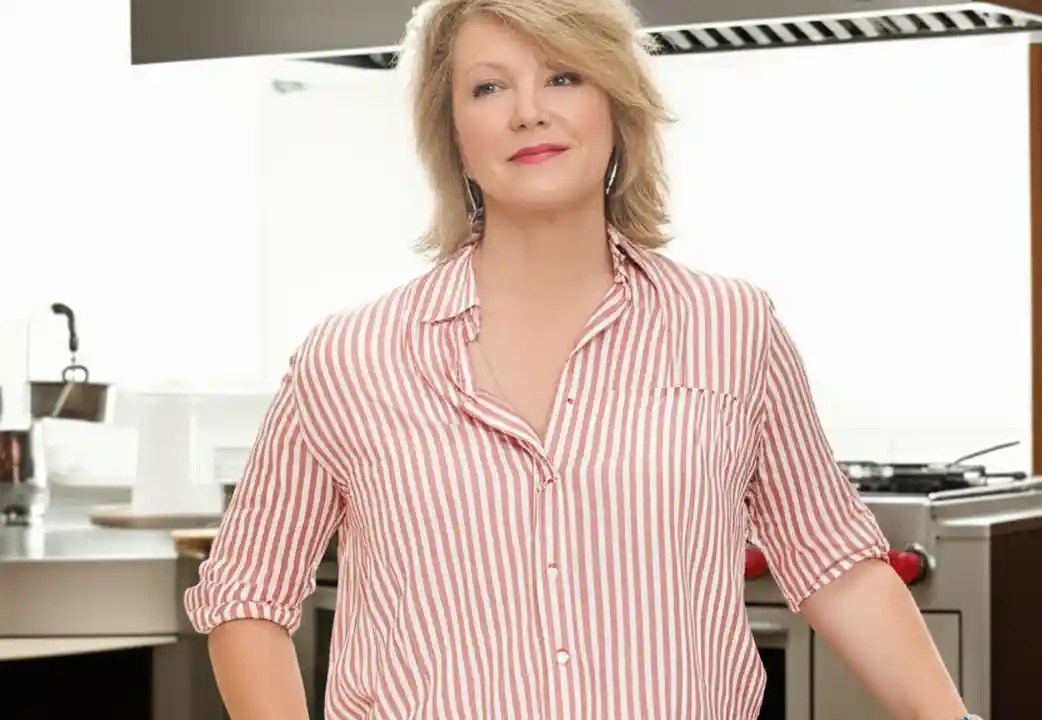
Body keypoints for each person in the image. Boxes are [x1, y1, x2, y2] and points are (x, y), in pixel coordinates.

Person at [184, 0, 977, 718]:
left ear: (614, 107)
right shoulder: (350, 357)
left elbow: (834, 560)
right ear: (453, 135)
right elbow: (246, 592)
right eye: (489, 89)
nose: (530, 112)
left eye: (563, 76)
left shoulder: (732, 327)